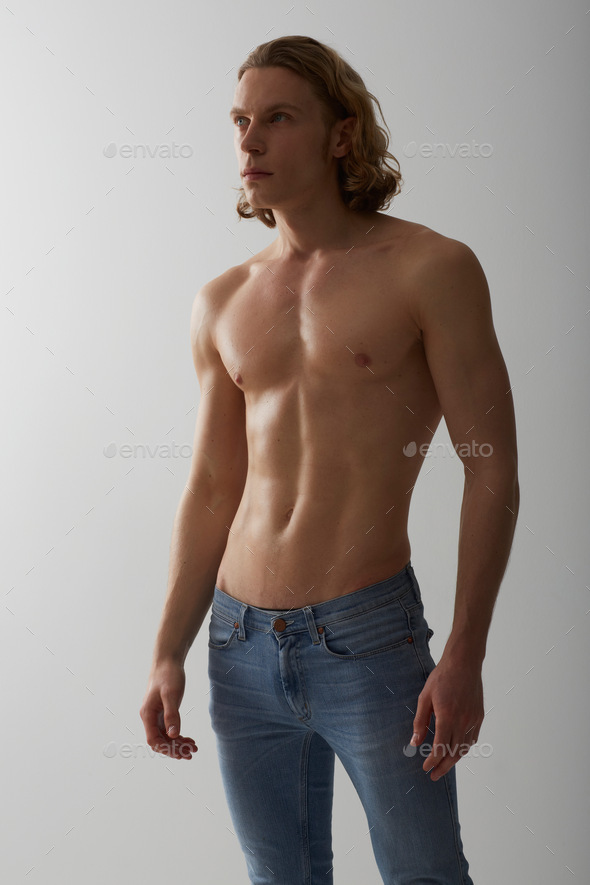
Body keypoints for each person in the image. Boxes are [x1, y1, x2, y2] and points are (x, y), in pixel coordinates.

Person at [139, 35, 519, 885]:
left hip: (369, 637)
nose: (249, 140)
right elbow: (212, 487)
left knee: (425, 874)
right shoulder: (223, 300)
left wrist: (466, 651)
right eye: (240, 120)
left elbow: (490, 465)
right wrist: (169, 648)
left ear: (342, 135)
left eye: (278, 118)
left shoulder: (431, 268)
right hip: (238, 642)